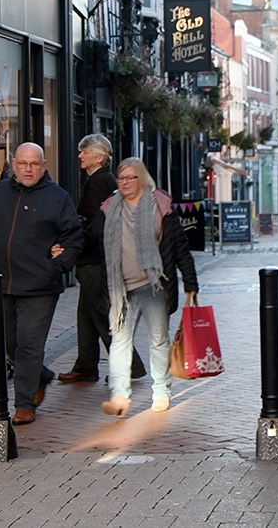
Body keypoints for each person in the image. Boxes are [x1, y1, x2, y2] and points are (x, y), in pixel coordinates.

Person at [0, 143, 83, 426]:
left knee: (29, 344)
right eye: (23, 163)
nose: (28, 169)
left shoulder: (57, 198)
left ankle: (24, 404)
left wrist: (55, 268)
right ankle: (40, 375)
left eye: (34, 164)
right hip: (1, 285)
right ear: (14, 164)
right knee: (9, 343)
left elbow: (74, 238)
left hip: (40, 287)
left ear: (44, 165)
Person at [93, 158, 199, 417]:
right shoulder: (109, 207)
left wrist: (190, 282)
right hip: (121, 290)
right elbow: (89, 238)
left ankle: (161, 391)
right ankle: (119, 396)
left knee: (158, 342)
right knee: (119, 342)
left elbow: (179, 247)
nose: (126, 183)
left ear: (142, 178)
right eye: (121, 178)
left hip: (154, 285)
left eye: (131, 177)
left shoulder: (160, 205)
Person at [58, 135, 145, 384]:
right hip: (96, 258)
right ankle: (85, 365)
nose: (79, 156)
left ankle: (129, 365)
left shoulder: (98, 182)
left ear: (98, 156)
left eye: (84, 151)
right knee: (86, 314)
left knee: (102, 313)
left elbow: (98, 223)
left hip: (96, 260)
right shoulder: (104, 181)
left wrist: (74, 244)